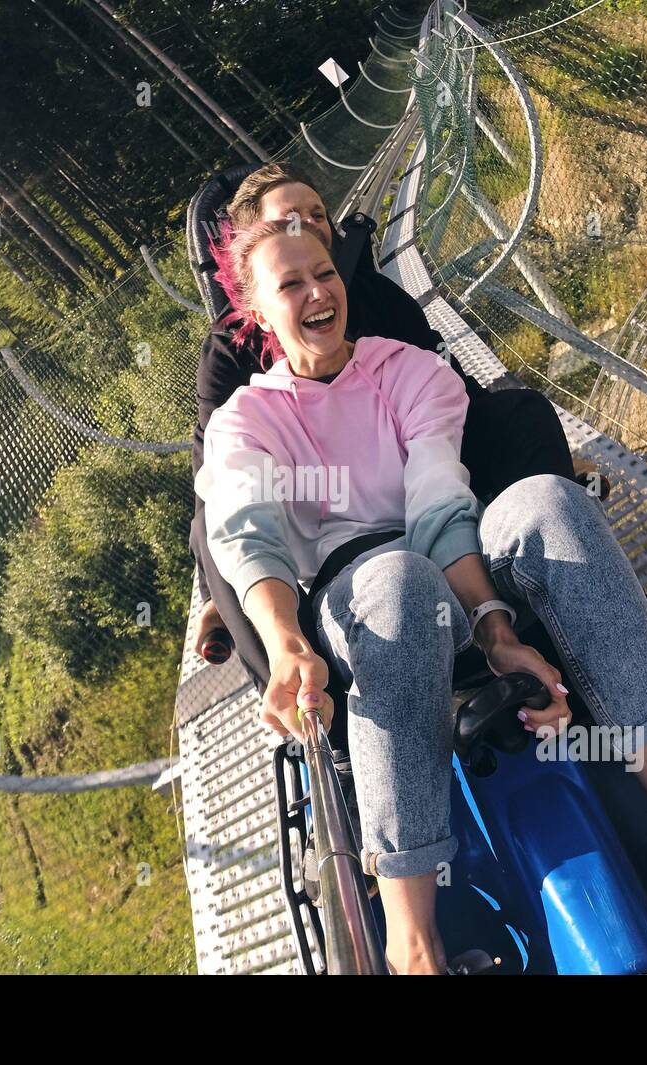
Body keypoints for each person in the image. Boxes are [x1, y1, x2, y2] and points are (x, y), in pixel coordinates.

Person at [193, 218, 647, 975]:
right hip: (360, 590)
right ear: (256, 313)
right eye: (292, 283)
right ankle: (414, 947)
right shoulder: (249, 419)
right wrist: (285, 643)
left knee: (545, 499)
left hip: (452, 554)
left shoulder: (404, 368)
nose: (319, 291)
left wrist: (494, 627)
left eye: (326, 272)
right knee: (393, 581)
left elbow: (441, 502)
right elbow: (248, 536)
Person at [188, 162, 580, 713]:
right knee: (214, 523)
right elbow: (220, 472)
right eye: (289, 220)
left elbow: (453, 386)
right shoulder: (232, 355)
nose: (308, 226)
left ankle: (565, 586)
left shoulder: (374, 295)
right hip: (325, 529)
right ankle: (300, 695)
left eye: (318, 215)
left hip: (429, 464)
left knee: (518, 411)